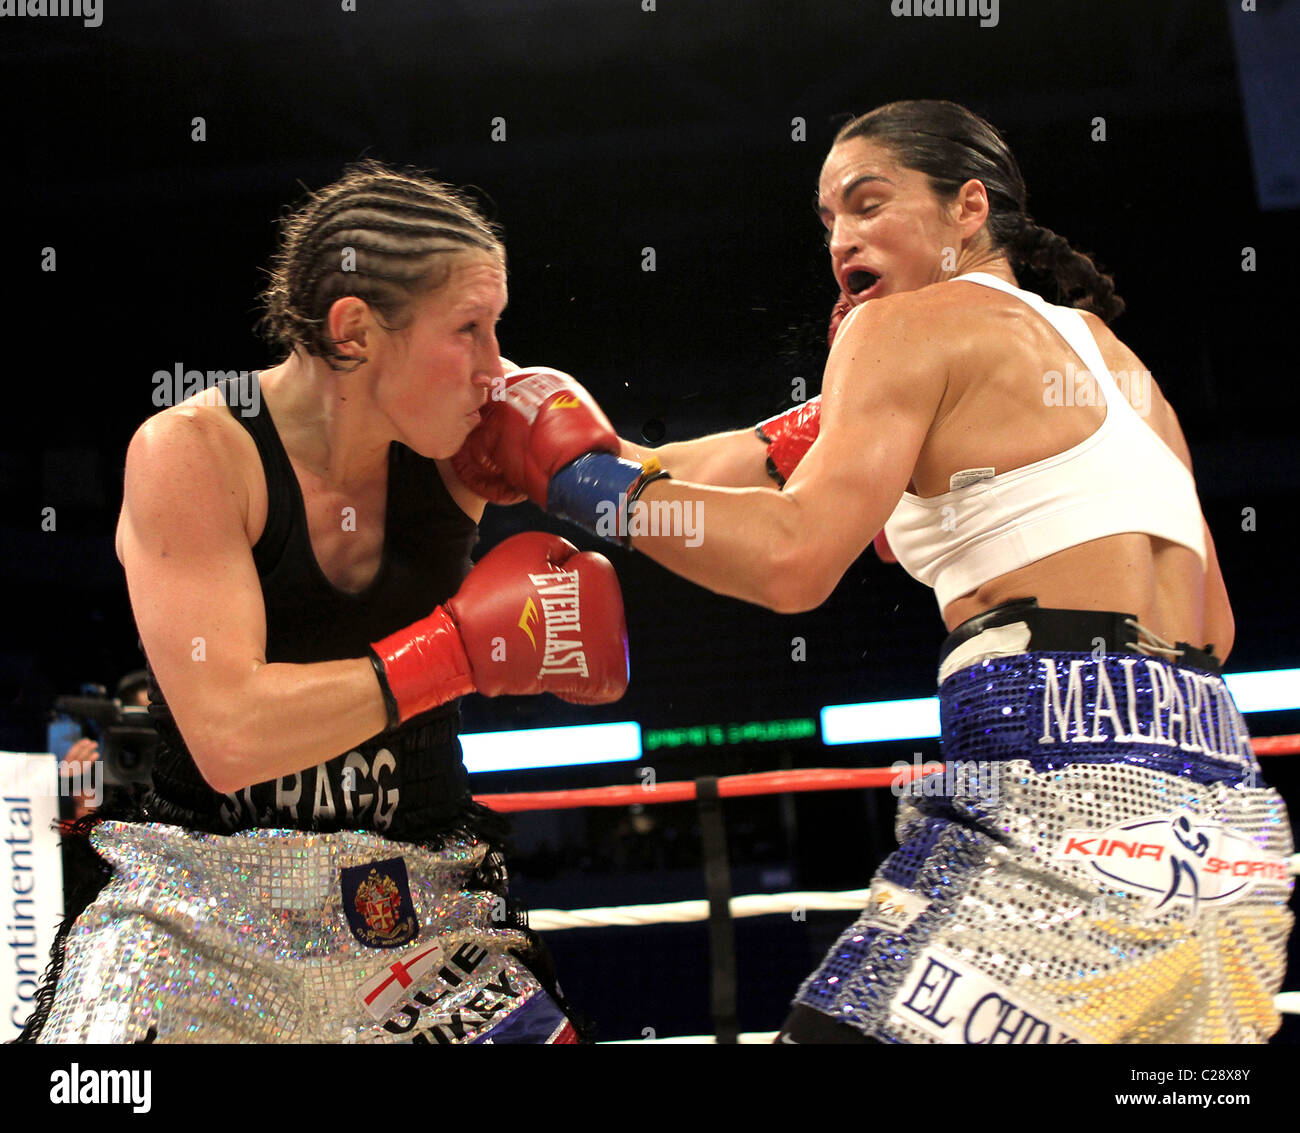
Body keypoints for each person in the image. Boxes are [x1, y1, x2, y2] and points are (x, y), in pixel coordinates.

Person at [451, 100, 1294, 1044]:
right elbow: (1213, 623)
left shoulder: (905, 332)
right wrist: (565, 457)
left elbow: (790, 558)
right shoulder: (1117, 364)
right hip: (1228, 830)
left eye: (868, 203)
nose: (843, 238)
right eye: (829, 222)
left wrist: (579, 486)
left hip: (1061, 800)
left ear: (968, 206)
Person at [22, 161, 630, 1045]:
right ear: (354, 332)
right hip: (199, 908)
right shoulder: (194, 452)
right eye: (469, 329)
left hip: (418, 915)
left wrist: (815, 434)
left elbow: (663, 487)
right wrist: (457, 651)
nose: (497, 366)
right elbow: (229, 734)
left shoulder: (468, 440)